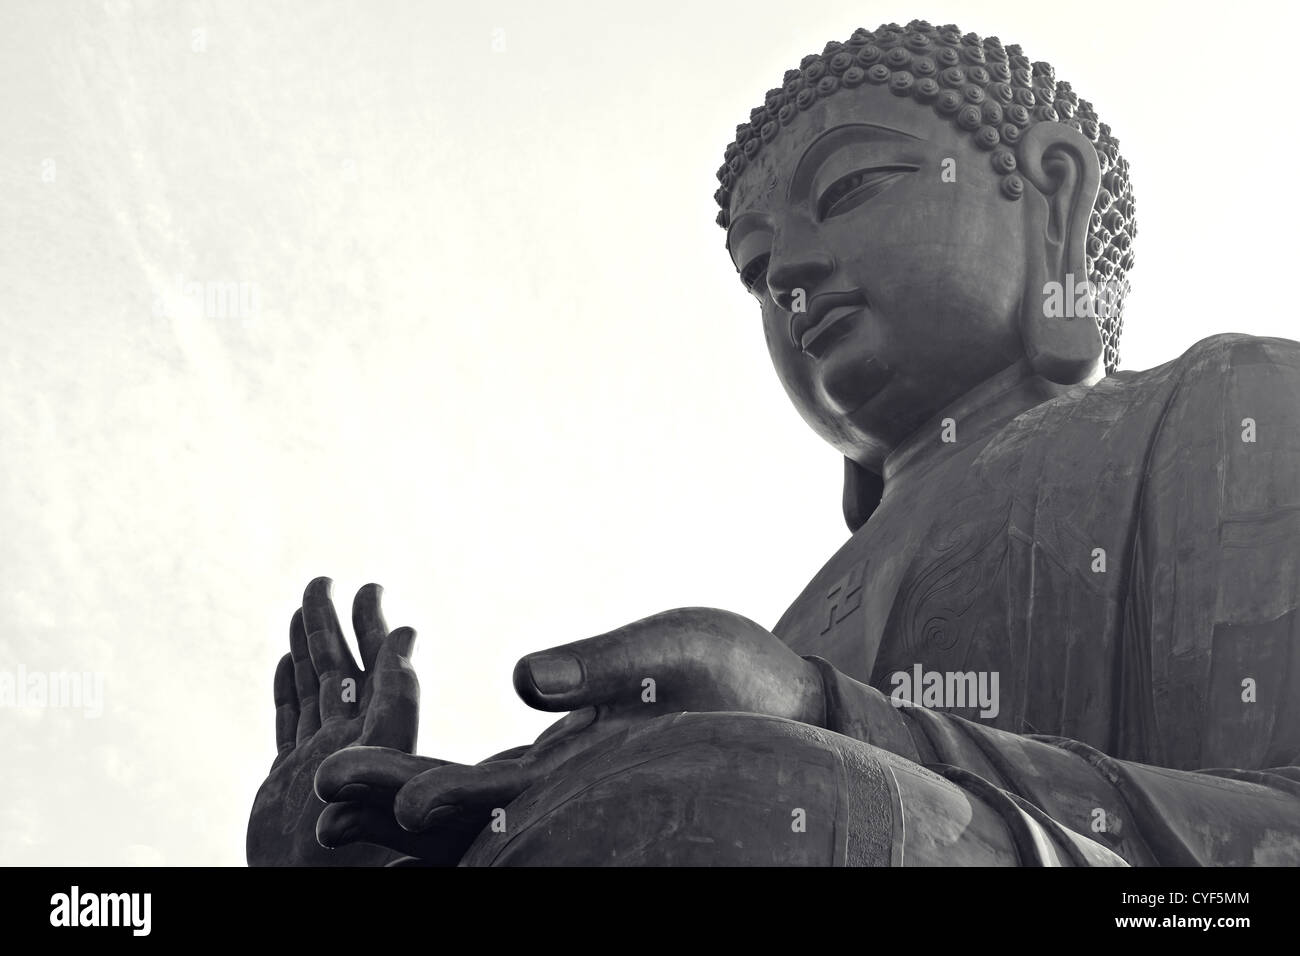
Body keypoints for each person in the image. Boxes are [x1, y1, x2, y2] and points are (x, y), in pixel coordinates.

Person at [248, 20, 1300, 866]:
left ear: (1054, 194)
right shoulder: (801, 618)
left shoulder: (1224, 406)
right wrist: (344, 843)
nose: (791, 271)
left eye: (848, 191)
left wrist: (818, 717)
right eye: (756, 269)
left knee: (729, 792)